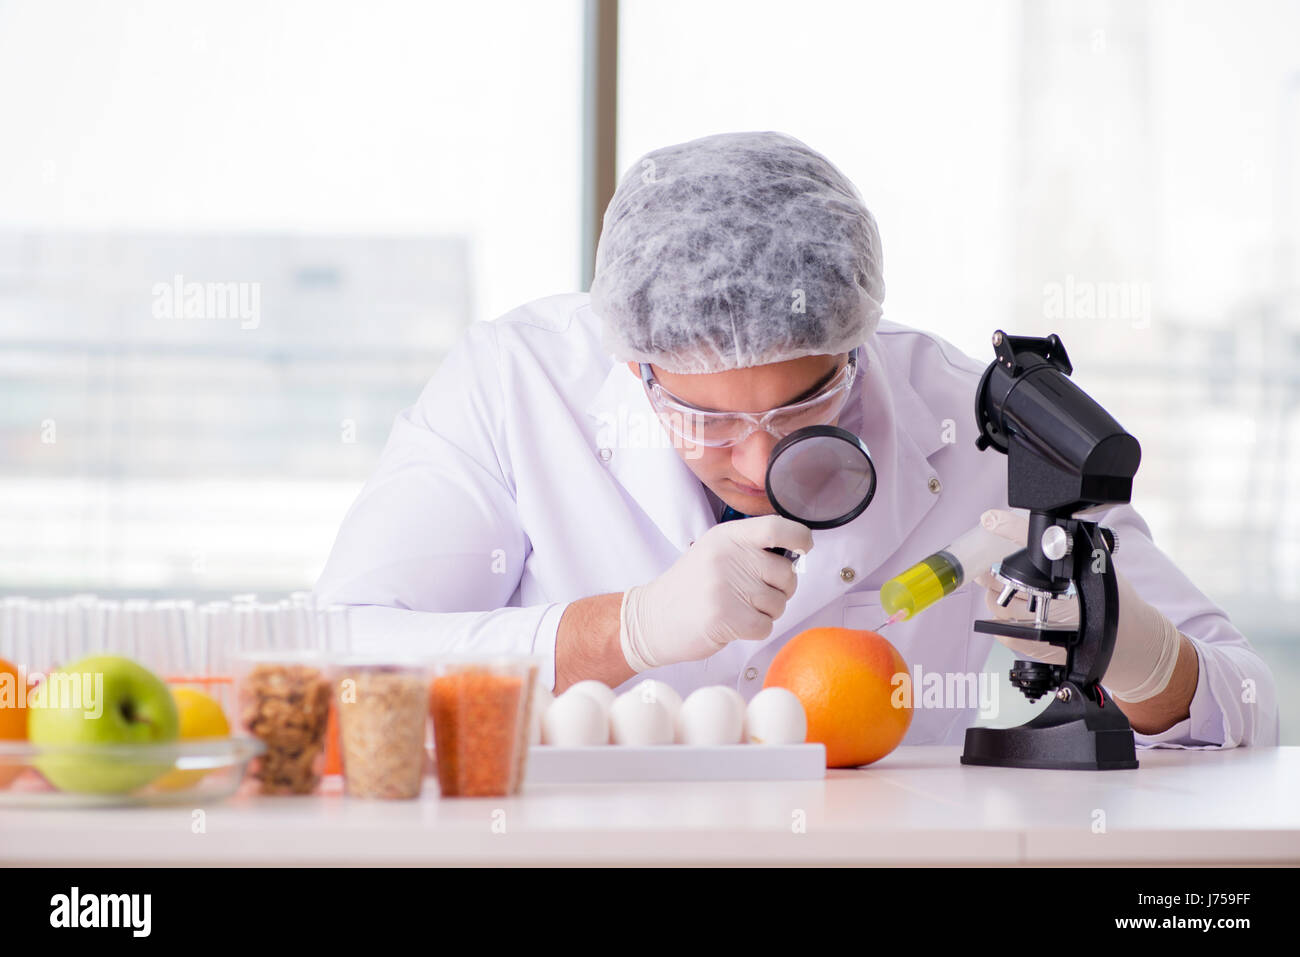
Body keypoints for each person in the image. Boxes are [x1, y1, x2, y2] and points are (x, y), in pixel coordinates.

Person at [315, 131, 1277, 748]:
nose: (754, 460)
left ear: (856, 347)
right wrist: (626, 627)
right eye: (705, 418)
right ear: (635, 365)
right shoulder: (517, 385)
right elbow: (335, 659)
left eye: (805, 404)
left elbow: (1247, 709)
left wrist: (1127, 647)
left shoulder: (976, 418)